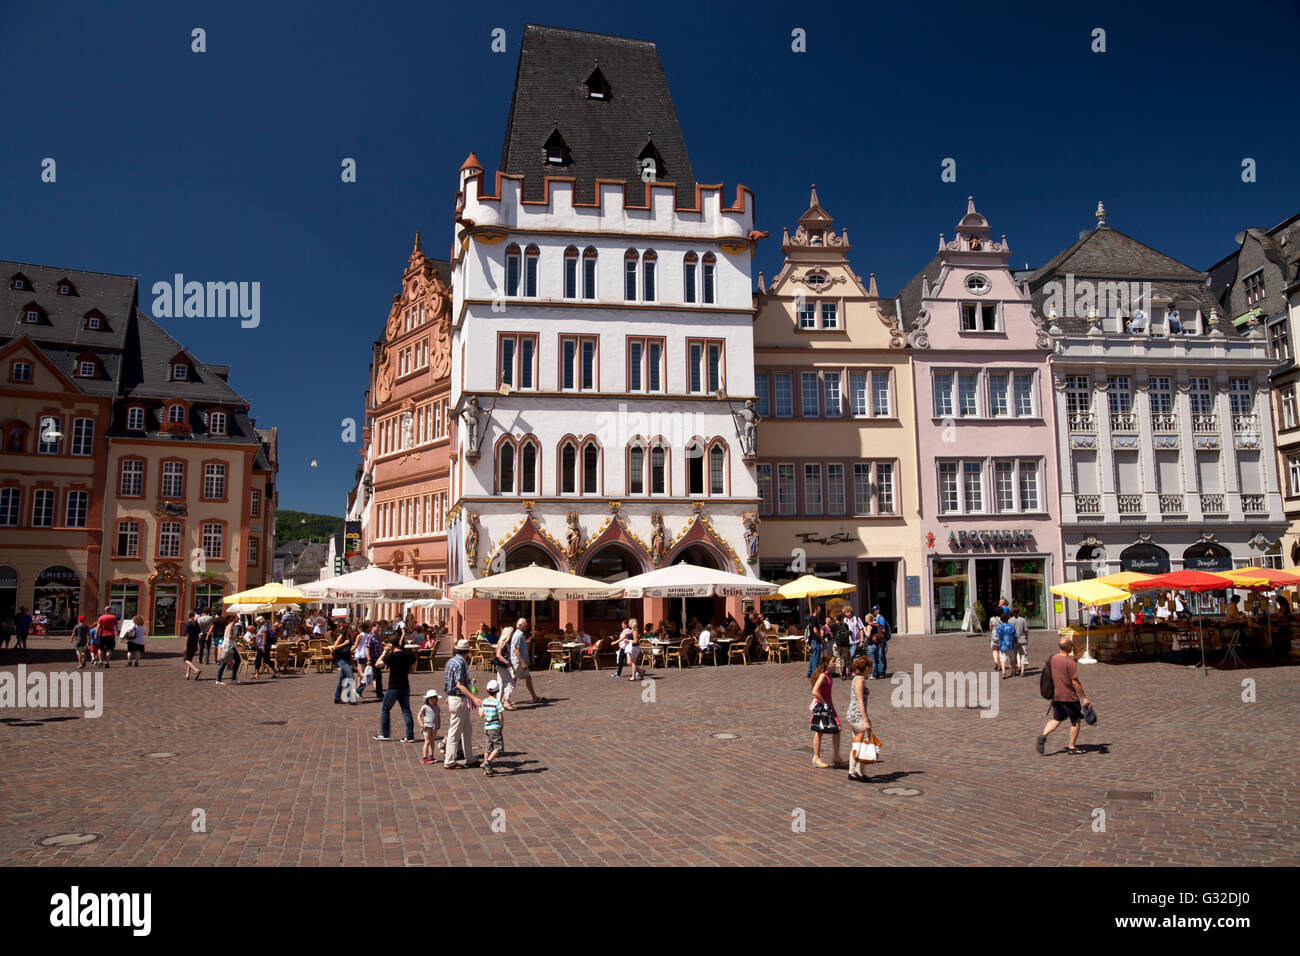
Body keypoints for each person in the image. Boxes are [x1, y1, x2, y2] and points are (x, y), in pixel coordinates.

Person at [1037, 635, 1092, 755]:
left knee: (1057, 719)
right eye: (1071, 645)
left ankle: (1043, 735)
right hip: (1069, 697)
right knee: (1076, 720)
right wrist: (1084, 698)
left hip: (1056, 696)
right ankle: (1072, 747)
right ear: (1068, 647)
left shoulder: (1053, 658)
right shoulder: (1069, 662)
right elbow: (1075, 682)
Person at [443, 639, 481, 769]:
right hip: (458, 699)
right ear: (468, 651)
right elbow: (459, 685)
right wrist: (474, 698)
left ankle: (469, 758)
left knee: (467, 729)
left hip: (454, 698)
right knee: (455, 731)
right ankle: (449, 761)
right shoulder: (461, 663)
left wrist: (469, 681)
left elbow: (454, 680)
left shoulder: (451, 661)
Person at [372, 635, 416, 742]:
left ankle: (385, 734)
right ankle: (410, 736)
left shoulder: (391, 656)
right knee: (406, 710)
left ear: (391, 645)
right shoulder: (408, 655)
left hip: (394, 686)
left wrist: (384, 652)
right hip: (405, 685)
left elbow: (377, 664)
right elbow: (412, 669)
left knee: (385, 709)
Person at [808, 658, 844, 769]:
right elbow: (814, 691)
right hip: (823, 707)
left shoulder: (828, 675)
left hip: (829, 706)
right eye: (833, 661)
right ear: (826, 663)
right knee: (819, 731)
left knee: (837, 729)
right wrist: (823, 703)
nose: (835, 663)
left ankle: (836, 756)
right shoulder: (823, 675)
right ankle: (816, 757)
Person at [845, 656, 874, 781]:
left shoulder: (857, 678)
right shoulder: (860, 680)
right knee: (864, 743)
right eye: (870, 667)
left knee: (857, 743)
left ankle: (852, 771)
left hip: (853, 715)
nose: (872, 669)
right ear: (866, 668)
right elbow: (860, 701)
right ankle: (858, 771)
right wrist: (866, 720)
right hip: (857, 716)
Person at [510, 618, 543, 700]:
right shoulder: (518, 635)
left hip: (521, 661)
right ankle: (505, 699)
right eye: (525, 625)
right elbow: (516, 650)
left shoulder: (520, 634)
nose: (526, 626)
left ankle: (534, 697)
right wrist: (522, 662)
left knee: (528, 678)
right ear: (521, 626)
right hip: (518, 662)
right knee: (513, 680)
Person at [481, 679, 505, 775]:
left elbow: (482, 715)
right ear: (498, 691)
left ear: (487, 690)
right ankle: (487, 763)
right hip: (495, 726)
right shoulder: (497, 703)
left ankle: (487, 768)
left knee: (488, 747)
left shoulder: (484, 701)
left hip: (487, 726)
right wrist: (502, 724)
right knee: (499, 747)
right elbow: (500, 716)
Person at [493, 624, 517, 709]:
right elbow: (498, 655)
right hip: (502, 665)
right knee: (510, 683)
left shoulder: (502, 642)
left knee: (501, 683)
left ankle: (498, 702)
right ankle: (506, 701)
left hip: (500, 666)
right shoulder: (503, 642)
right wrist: (507, 662)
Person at [331, 625, 356, 703]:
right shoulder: (341, 637)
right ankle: (349, 697)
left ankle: (337, 698)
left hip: (347, 659)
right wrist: (344, 643)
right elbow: (334, 647)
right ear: (345, 629)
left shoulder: (350, 637)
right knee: (350, 677)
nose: (350, 630)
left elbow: (350, 648)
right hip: (341, 659)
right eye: (349, 629)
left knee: (342, 679)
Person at [419, 689, 442, 764]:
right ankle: (424, 757)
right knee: (427, 741)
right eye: (430, 698)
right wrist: (421, 724)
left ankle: (431, 756)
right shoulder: (425, 707)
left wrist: (439, 723)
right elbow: (419, 716)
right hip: (426, 726)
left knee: (432, 741)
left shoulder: (437, 707)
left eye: (434, 698)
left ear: (436, 699)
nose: (432, 700)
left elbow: (438, 716)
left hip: (434, 726)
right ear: (427, 699)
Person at [216, 620, 242, 685]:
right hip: (228, 646)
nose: (238, 619)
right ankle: (218, 679)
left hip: (232, 645)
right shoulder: (230, 626)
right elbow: (229, 636)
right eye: (236, 617)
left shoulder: (234, 626)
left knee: (238, 660)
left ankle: (233, 678)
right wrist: (236, 637)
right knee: (224, 662)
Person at [831, 612, 852, 679]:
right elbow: (848, 633)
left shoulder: (833, 625)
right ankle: (847, 674)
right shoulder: (845, 625)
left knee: (838, 658)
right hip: (845, 644)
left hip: (837, 644)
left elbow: (831, 635)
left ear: (835, 618)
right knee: (847, 659)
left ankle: (841, 675)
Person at [996, 611, 1017, 679]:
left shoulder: (999, 627)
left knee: (1003, 659)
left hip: (1002, 645)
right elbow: (1015, 635)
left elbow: (997, 637)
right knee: (1012, 659)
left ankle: (1004, 673)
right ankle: (1013, 671)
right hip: (1010, 644)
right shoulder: (1011, 626)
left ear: (1001, 619)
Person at [182, 611, 202, 680]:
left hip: (189, 643)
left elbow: (187, 635)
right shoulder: (196, 623)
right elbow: (198, 635)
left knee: (185, 660)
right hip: (194, 643)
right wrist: (196, 644)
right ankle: (187, 674)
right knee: (190, 659)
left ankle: (196, 670)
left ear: (188, 616)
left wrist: (185, 645)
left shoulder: (188, 624)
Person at [1011, 606, 1028, 676]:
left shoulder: (1010, 620)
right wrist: (1026, 638)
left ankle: (1014, 670)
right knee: (1023, 655)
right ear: (1019, 612)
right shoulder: (1023, 620)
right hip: (1022, 639)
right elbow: (1026, 630)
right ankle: (1022, 671)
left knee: (1014, 656)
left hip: (1014, 640)